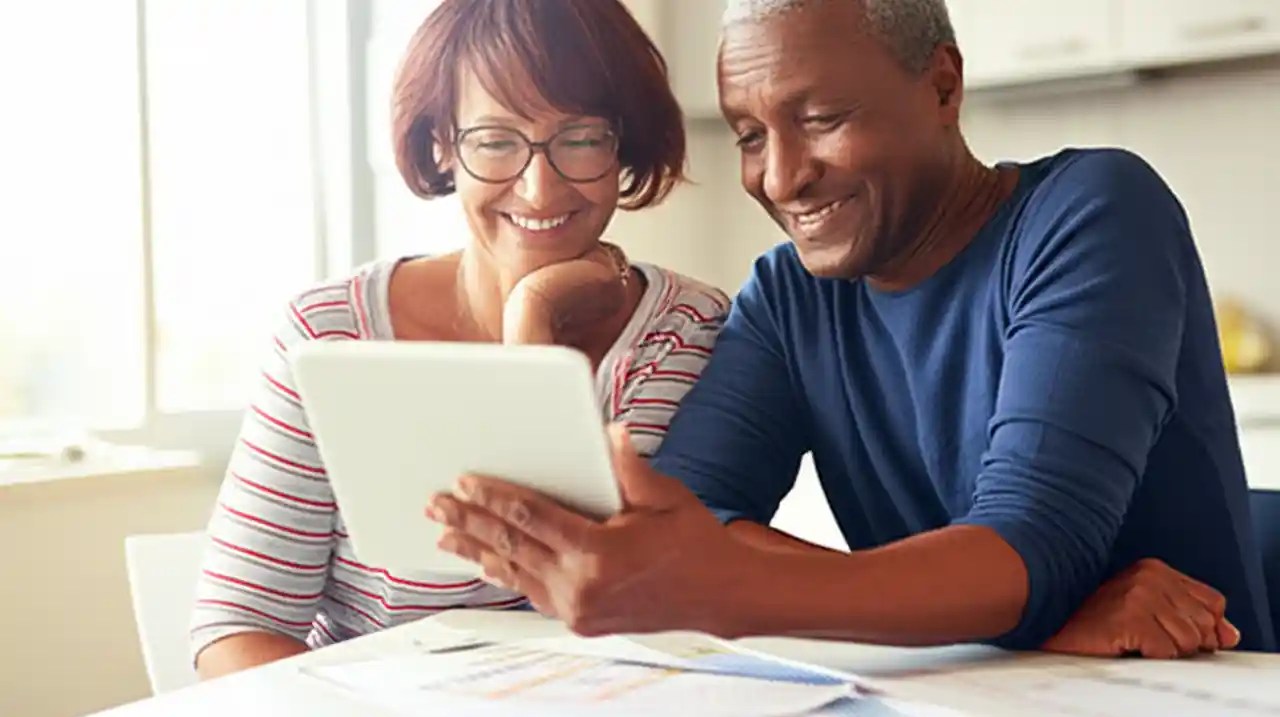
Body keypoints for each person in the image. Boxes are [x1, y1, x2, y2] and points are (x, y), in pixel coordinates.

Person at [429, 0, 1276, 657]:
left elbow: (1031, 545)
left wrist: (1008, 596)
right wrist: (1011, 613)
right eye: (750, 135)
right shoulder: (789, 297)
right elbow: (692, 519)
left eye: (822, 119)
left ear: (942, 87)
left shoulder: (1093, 213)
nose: (781, 178)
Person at [188, 0, 732, 680]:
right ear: (443, 144)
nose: (539, 188)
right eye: (496, 141)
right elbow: (239, 632)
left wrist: (532, 318)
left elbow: (679, 604)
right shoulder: (331, 334)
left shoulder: (686, 330)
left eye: (581, 139)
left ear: (623, 143)